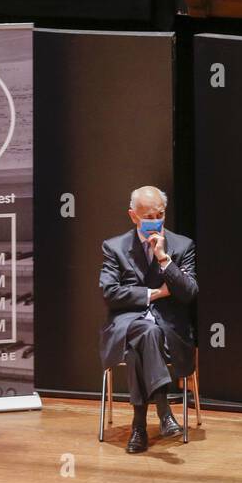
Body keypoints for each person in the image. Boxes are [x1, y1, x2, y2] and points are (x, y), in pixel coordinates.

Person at [99, 186, 199, 453]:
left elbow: (188, 292)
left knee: (141, 344)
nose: (155, 220)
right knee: (143, 331)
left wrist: (164, 259)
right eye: (148, 215)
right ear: (133, 216)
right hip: (126, 325)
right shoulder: (115, 247)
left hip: (168, 330)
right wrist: (153, 293)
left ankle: (139, 426)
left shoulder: (182, 245)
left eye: (160, 214)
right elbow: (109, 292)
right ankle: (164, 411)